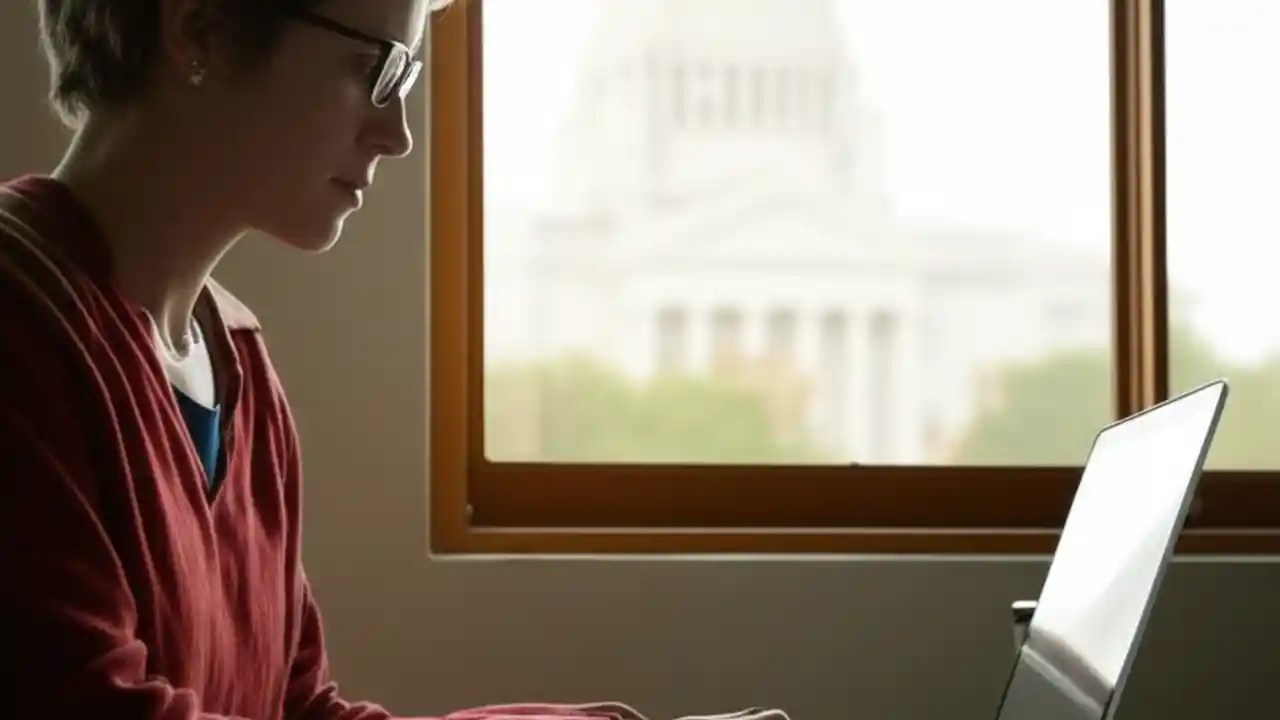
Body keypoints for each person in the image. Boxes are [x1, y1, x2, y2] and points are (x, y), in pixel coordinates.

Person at [0, 1, 792, 719]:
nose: (400, 131)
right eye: (373, 67)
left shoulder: (237, 360)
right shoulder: (21, 322)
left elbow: (301, 711)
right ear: (196, 30)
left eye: (405, 75)